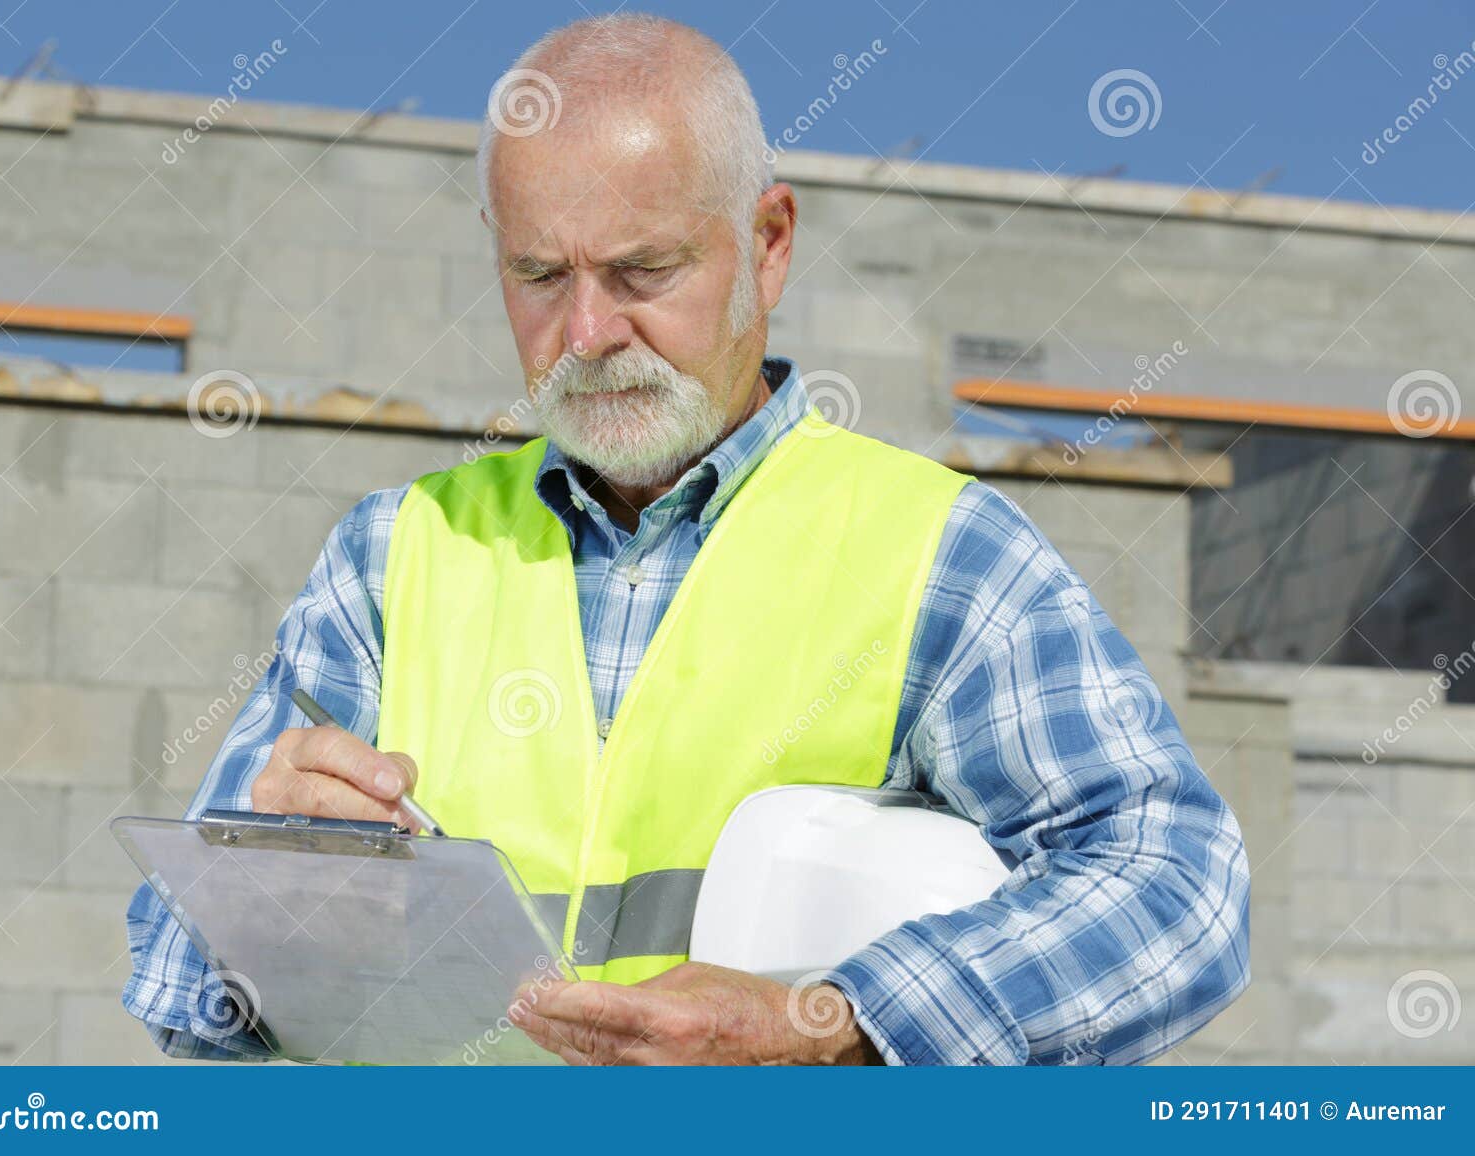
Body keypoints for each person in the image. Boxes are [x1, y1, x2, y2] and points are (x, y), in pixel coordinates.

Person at [123, 13, 1249, 1066]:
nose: (586, 333)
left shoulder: (943, 556)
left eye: (642, 271)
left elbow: (1178, 886)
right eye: (538, 275)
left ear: (768, 242)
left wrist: (830, 1021)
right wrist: (276, 895)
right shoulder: (392, 555)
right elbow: (180, 975)